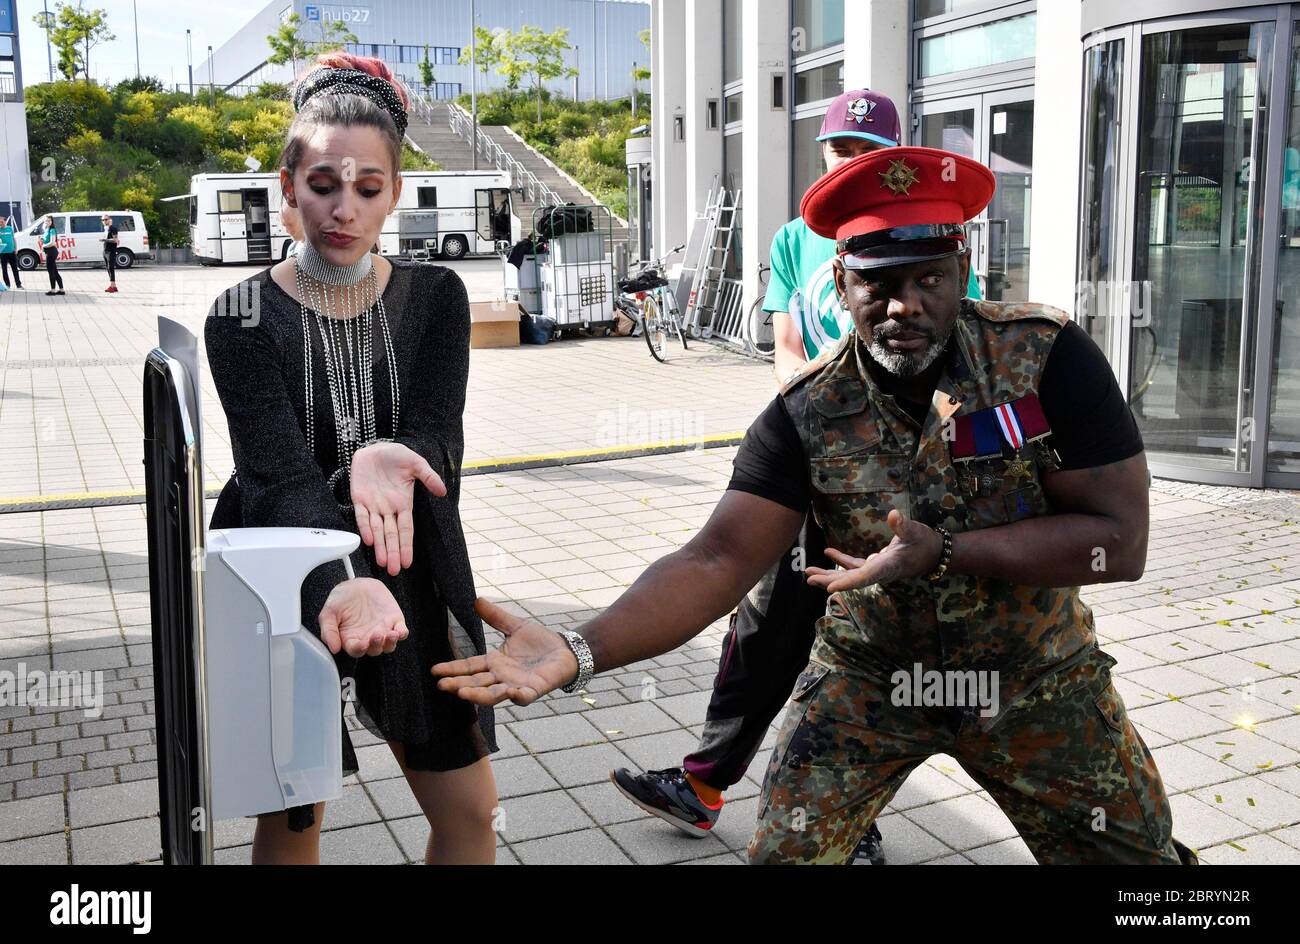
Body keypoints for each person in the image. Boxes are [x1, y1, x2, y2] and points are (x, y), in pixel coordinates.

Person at [434, 145, 1196, 866]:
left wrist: (952, 552)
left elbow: (1119, 541)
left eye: (929, 278)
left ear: (962, 269)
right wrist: (581, 648)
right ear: (840, 283)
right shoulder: (806, 410)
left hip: (1033, 679)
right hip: (871, 681)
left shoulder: (1047, 358)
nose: (905, 305)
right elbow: (717, 557)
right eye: (879, 284)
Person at [204, 51, 499, 865]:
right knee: (296, 813)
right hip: (282, 569)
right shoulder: (240, 315)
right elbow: (274, 472)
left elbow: (442, 434)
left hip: (410, 554)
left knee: (470, 804)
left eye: (368, 189)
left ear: (394, 193)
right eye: (324, 185)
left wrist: (393, 451)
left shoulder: (437, 297)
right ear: (288, 186)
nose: (344, 209)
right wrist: (342, 581)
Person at [609, 90, 918, 864]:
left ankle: (855, 821)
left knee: (863, 648)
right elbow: (785, 342)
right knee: (764, 628)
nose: (850, 160)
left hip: (892, 491)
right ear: (822, 152)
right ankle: (703, 787)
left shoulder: (921, 239)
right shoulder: (795, 238)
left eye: (867, 149)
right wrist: (811, 420)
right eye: (840, 147)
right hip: (807, 470)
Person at [41, 215, 64, 295]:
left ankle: (53, 290)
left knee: (51, 271)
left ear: (52, 222)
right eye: (46, 220)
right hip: (49, 252)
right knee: (55, 271)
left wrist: (44, 245)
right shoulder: (47, 230)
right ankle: (61, 290)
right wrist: (42, 240)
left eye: (49, 220)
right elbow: (46, 240)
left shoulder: (52, 230)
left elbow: (52, 242)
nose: (47, 222)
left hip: (51, 252)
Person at [0, 215, 22, 290]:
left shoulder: (10, 228)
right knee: (4, 269)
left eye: (2, 222)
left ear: (5, 222)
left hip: (12, 252)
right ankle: (7, 285)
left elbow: (14, 239)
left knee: (15, 268)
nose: (1, 223)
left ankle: (18, 284)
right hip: (3, 253)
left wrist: (16, 248)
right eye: (0, 222)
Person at [100, 214, 119, 292]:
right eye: (103, 220)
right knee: (108, 268)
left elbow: (115, 240)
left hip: (111, 251)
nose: (104, 221)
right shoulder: (106, 229)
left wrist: (105, 240)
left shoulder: (113, 229)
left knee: (111, 268)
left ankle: (112, 286)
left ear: (109, 220)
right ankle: (114, 286)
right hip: (105, 250)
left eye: (106, 219)